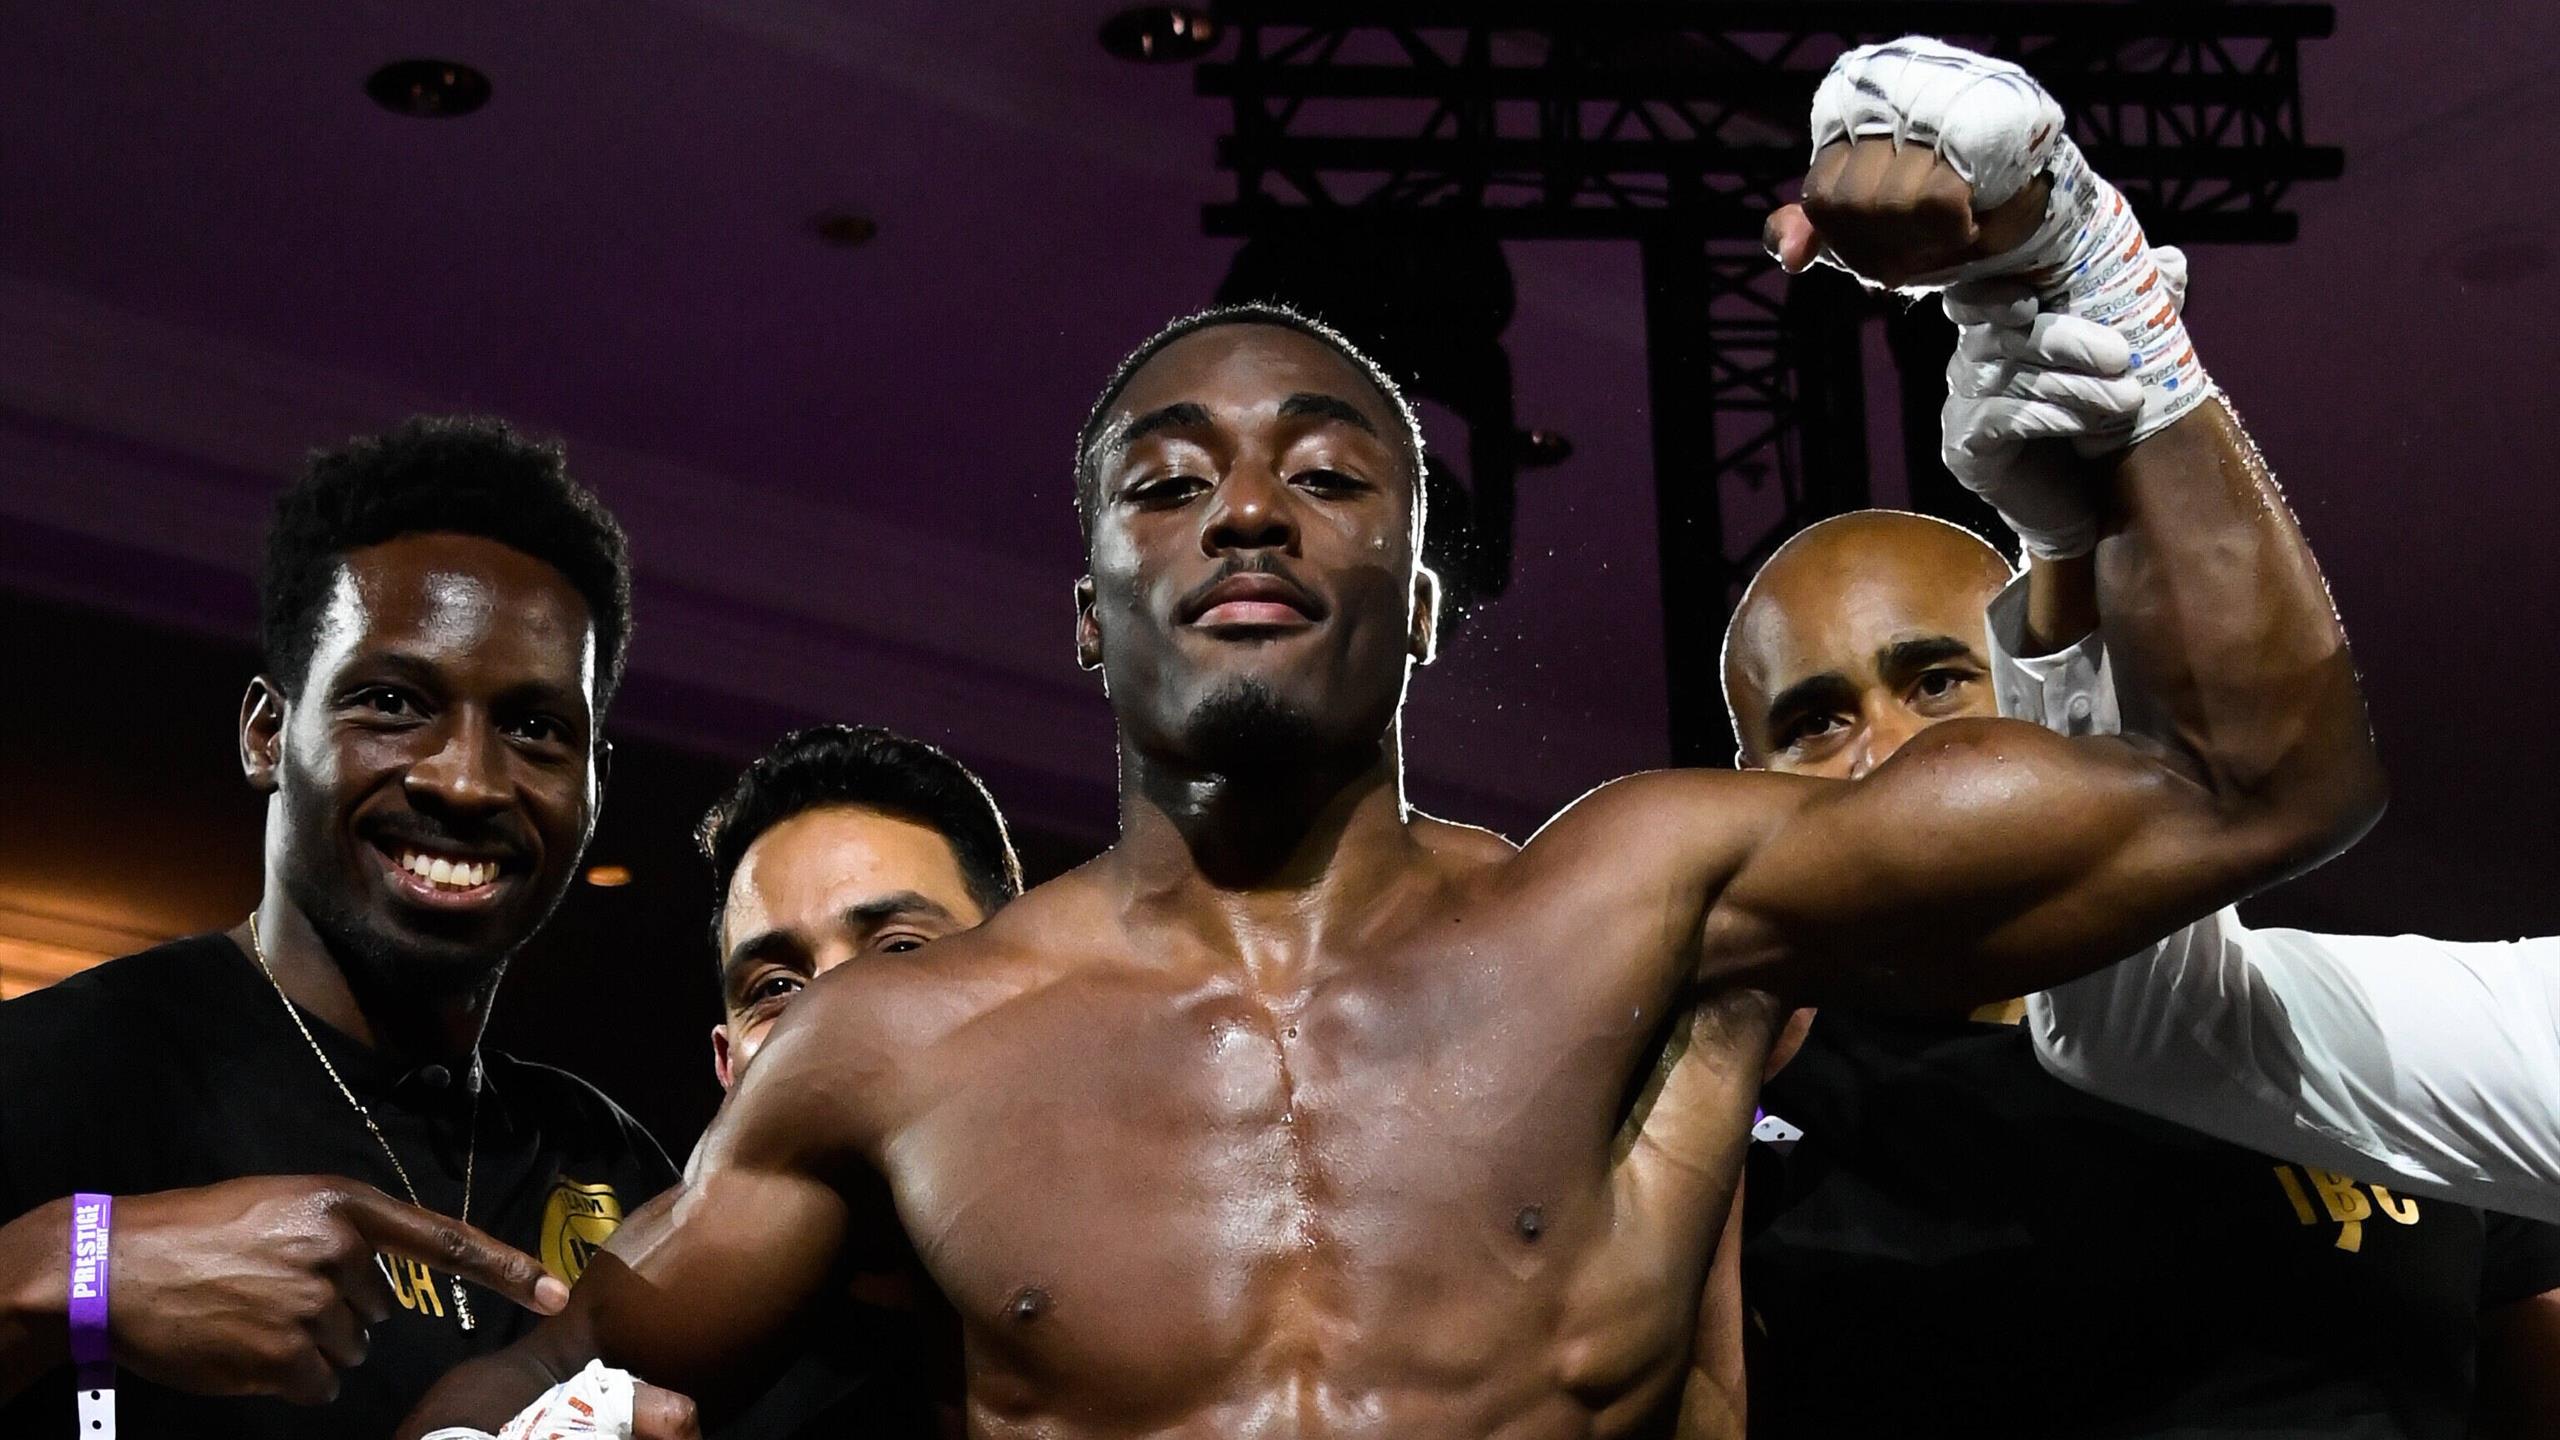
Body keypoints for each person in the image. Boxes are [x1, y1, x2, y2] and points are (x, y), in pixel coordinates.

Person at [401, 39, 2386, 1437]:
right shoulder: (896, 1044)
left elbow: (2261, 783)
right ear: (1087, 616)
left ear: (1422, 603)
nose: (1248, 511)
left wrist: (2083, 283)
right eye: (1168, 483)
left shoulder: (1637, 902)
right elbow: (582, 1360)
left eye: (1329, 473)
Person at [1708, 510, 2560, 1439]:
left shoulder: (2339, 1019)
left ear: (2040, 694)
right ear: (1753, 783)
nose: (1887, 752)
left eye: (1938, 683)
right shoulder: (1738, 1143)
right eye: (1815, 724)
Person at [0, 417, 680, 1438]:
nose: (466, 780)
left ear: (594, 785)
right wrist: (67, 1273)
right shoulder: (56, 1073)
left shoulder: (612, 1165)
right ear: (267, 733)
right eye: (394, 702)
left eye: (536, 728)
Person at [695, 723, 1020, 1440]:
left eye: (900, 949)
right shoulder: (660, 1390)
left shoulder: (1206, 1308)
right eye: (777, 987)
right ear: (728, 1067)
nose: (833, 1020)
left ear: (1025, 987)